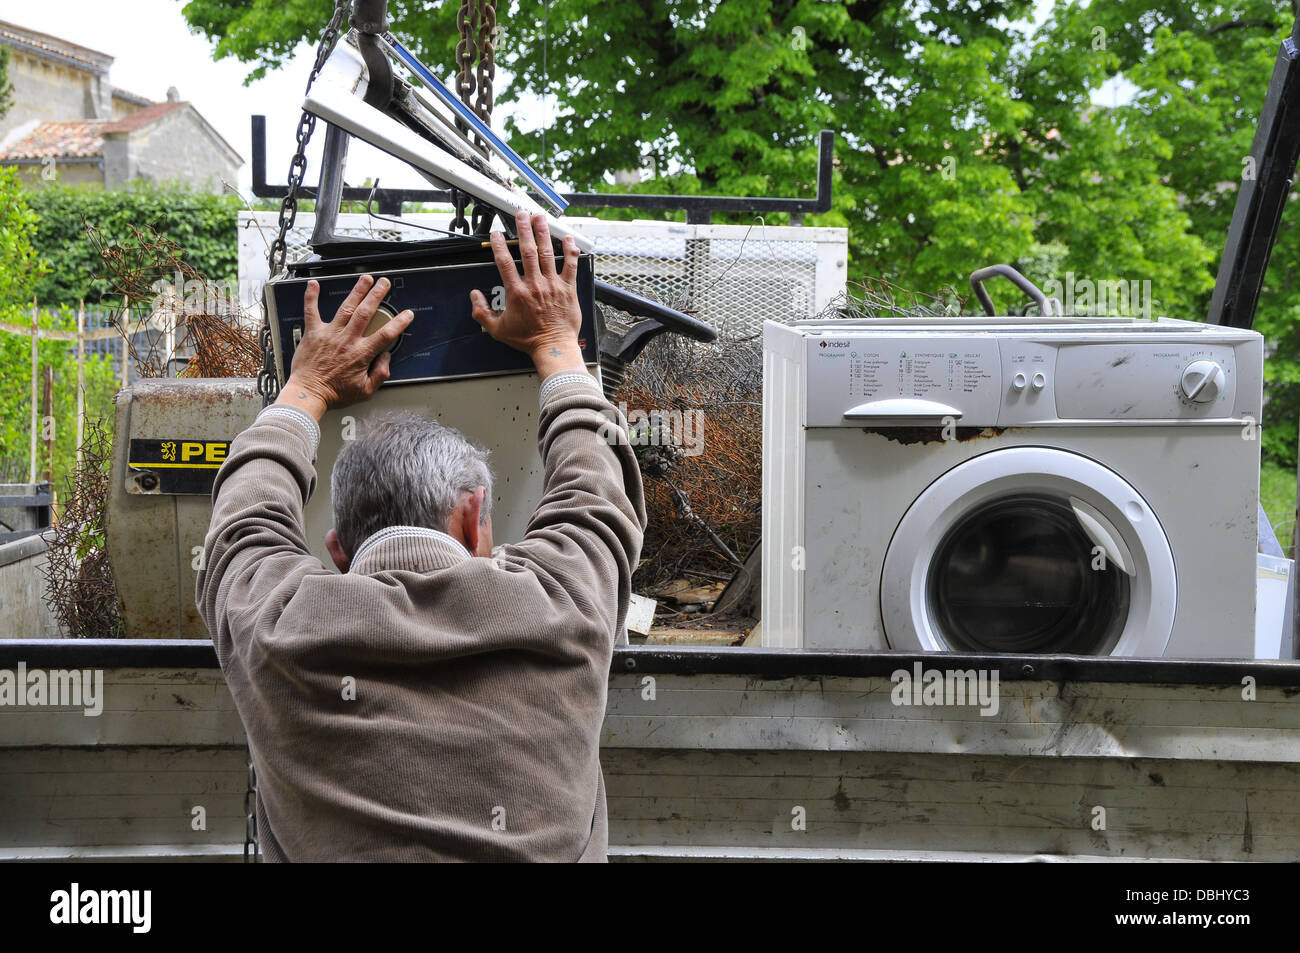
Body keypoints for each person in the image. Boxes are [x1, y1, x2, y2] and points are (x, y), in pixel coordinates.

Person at [195, 212, 646, 861]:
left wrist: (308, 386)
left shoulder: (277, 627)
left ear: (337, 551)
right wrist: (555, 341)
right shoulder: (563, 602)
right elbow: (596, 488)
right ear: (474, 516)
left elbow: (242, 517)